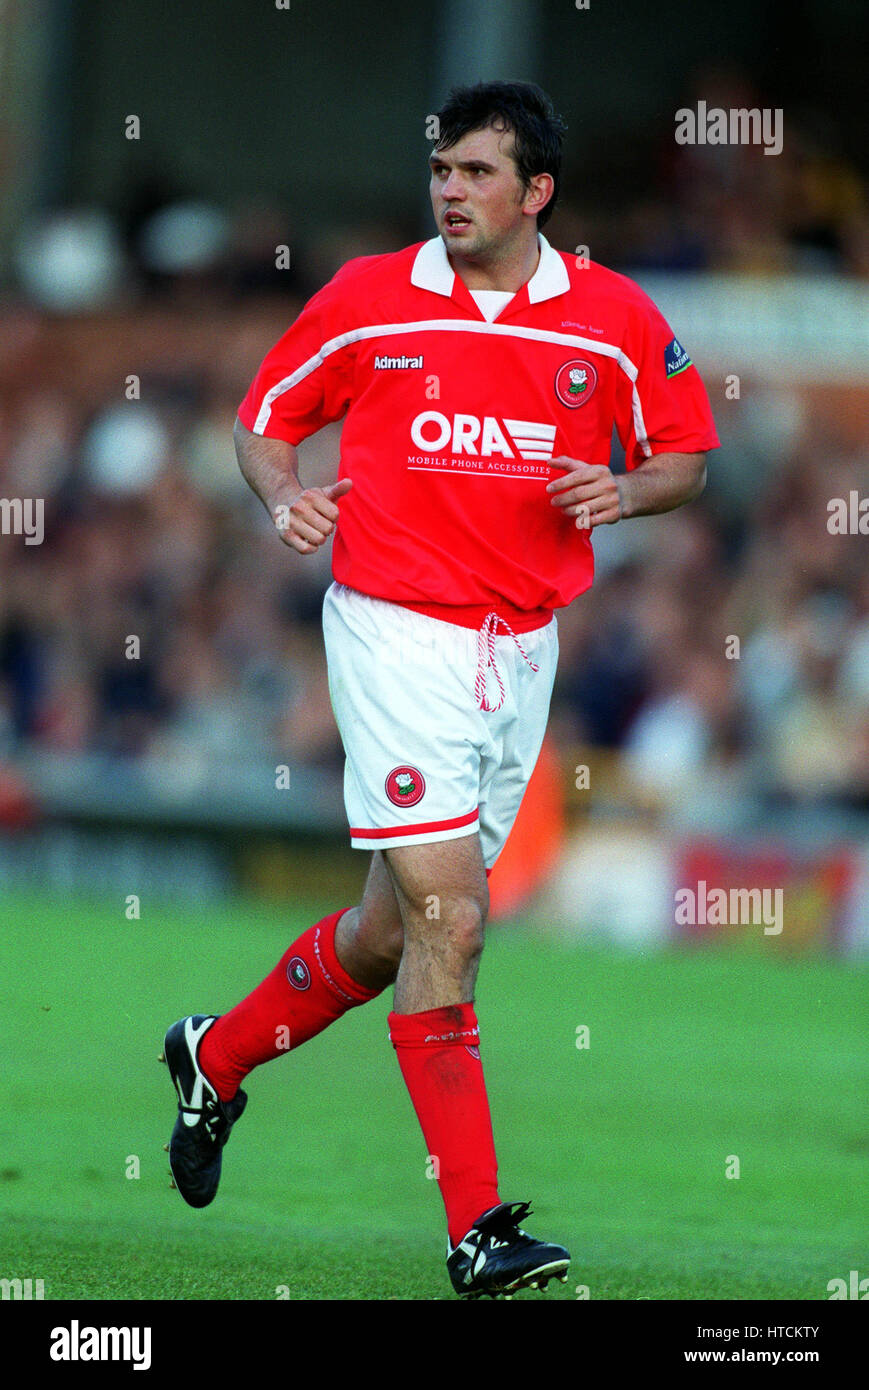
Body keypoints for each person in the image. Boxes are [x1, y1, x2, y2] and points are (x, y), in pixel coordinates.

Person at [161, 80, 719, 1299]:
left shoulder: (609, 319)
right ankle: (476, 1230)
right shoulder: (368, 297)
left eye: (476, 174)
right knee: (452, 919)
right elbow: (264, 419)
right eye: (442, 171)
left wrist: (623, 491)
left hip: (519, 650)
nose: (450, 192)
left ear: (537, 192)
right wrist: (278, 491)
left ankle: (216, 1056)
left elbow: (681, 450)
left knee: (386, 931)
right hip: (391, 631)